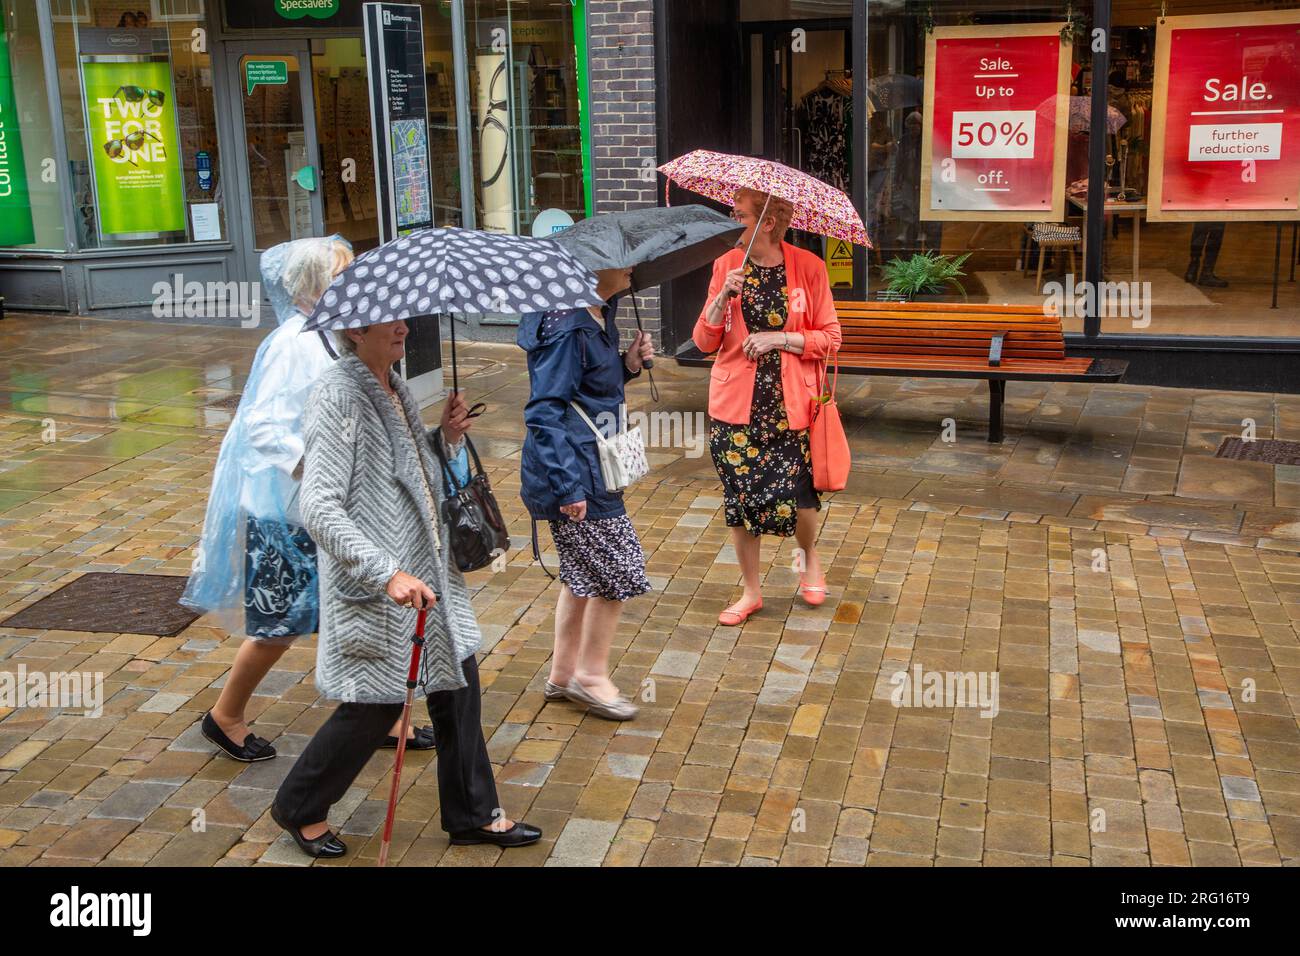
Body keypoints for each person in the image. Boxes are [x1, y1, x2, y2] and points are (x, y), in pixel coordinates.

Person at [270, 317, 539, 858]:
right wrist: (385, 572)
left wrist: (448, 437)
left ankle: (473, 813)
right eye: (384, 323)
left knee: (459, 686)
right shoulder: (340, 396)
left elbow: (414, 478)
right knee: (372, 706)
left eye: (400, 320)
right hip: (382, 585)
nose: (400, 329)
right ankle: (300, 807)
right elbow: (318, 505)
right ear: (351, 333)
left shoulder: (393, 385)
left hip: (429, 579)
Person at [182, 237, 439, 761]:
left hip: (334, 509)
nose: (354, 284)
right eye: (341, 275)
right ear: (309, 288)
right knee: (281, 623)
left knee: (358, 610)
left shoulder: (337, 340)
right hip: (286, 509)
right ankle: (224, 716)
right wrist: (319, 466)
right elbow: (262, 426)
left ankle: (380, 715)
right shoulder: (293, 343)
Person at [694, 188, 842, 626]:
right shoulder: (726, 265)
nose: (731, 219)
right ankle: (751, 591)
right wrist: (721, 299)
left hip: (792, 402)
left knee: (801, 497)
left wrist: (782, 339)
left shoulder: (809, 268)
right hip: (735, 407)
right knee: (741, 501)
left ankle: (808, 558)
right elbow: (704, 342)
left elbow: (831, 338)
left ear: (768, 222)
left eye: (738, 214)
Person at [518, 270, 655, 721]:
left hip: (591, 464)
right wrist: (568, 487)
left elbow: (591, 388)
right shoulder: (570, 326)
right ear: (596, 270)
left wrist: (628, 364)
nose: (632, 270)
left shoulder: (599, 313)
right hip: (576, 472)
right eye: (624, 263)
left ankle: (562, 674)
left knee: (582, 574)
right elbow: (544, 412)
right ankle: (590, 677)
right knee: (618, 567)